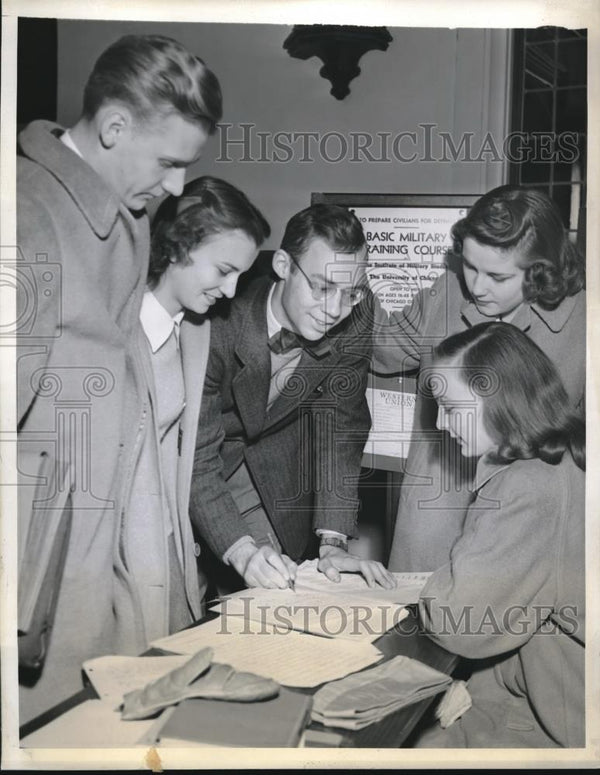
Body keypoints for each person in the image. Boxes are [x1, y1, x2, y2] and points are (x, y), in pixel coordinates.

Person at [17, 34, 222, 722]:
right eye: (169, 162)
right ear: (113, 127)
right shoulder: (26, 212)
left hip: (105, 555)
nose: (176, 187)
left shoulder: (131, 220)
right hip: (33, 566)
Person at [372, 185, 585, 571]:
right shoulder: (446, 294)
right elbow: (379, 348)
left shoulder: (585, 323)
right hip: (433, 520)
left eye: (497, 276)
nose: (476, 286)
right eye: (469, 266)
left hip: (524, 532)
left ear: (540, 271)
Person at [190, 204, 396, 591]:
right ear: (284, 265)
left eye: (350, 292)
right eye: (321, 287)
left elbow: (342, 427)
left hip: (277, 469)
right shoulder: (217, 315)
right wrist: (240, 548)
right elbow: (195, 454)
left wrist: (333, 542)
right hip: (195, 467)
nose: (334, 310)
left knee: (278, 591)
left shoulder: (357, 312)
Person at [415, 322, 584, 748]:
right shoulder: (564, 456)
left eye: (451, 408)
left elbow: (458, 622)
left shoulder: (527, 487)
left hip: (559, 715)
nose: (440, 422)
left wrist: (436, 585)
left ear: (500, 402)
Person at [129, 176, 269, 645]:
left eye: (240, 277)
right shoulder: (112, 330)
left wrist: (243, 551)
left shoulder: (198, 333)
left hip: (169, 553)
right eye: (222, 270)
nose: (231, 292)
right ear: (178, 246)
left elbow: (200, 460)